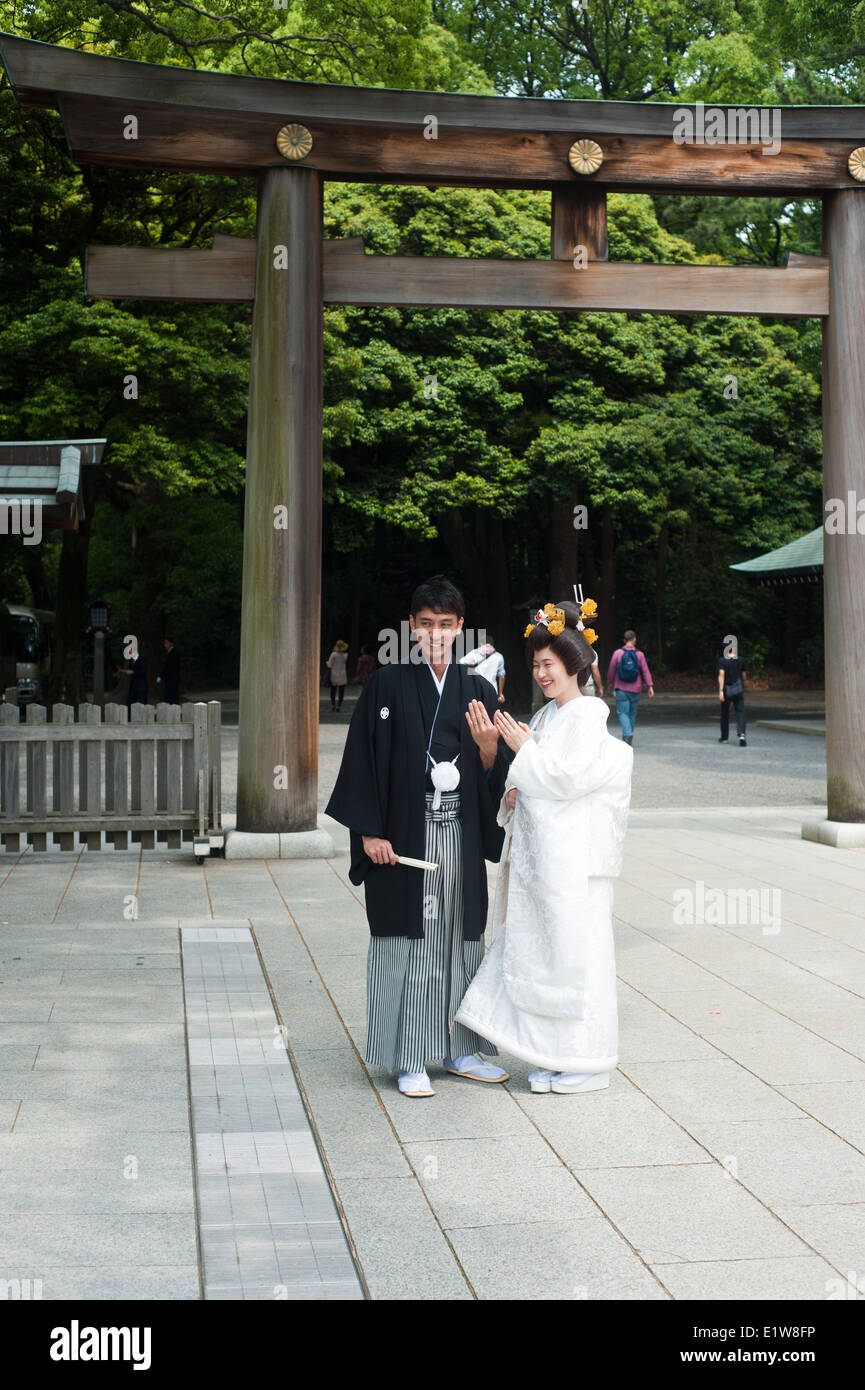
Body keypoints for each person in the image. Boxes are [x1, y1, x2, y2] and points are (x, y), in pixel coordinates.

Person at [325, 575, 513, 1098]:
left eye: (446, 625)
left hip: (459, 832)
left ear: (459, 629)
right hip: (404, 840)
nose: (435, 633)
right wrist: (368, 832)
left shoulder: (476, 689)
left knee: (460, 936)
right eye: (426, 624)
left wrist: (489, 750)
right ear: (411, 627)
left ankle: (462, 1049)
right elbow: (362, 759)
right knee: (407, 940)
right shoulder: (386, 684)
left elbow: (501, 776)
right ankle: (409, 1055)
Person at [455, 599, 633, 1094]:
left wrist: (524, 753)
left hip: (574, 865)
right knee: (549, 953)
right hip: (547, 863)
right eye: (535, 665)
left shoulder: (588, 716)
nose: (540, 674)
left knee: (580, 956)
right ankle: (556, 1052)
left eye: (548, 665)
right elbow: (537, 780)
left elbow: (568, 780)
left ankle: (589, 1059)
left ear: (574, 665)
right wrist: (514, 788)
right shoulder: (549, 716)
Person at [606, 629, 653, 744]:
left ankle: (627, 734)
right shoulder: (639, 654)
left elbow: (611, 670)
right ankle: (628, 734)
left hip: (621, 688)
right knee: (632, 713)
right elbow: (645, 670)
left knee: (623, 712)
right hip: (636, 689)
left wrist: (610, 684)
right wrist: (650, 686)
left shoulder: (618, 653)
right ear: (634, 640)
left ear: (624, 640)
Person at [717, 646, 749, 746]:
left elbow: (721, 675)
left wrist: (721, 690)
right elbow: (744, 676)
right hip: (738, 690)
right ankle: (742, 735)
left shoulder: (722, 661)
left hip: (727, 690)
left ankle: (724, 737)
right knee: (740, 712)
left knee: (725, 713)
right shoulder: (741, 660)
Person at [459, 637, 506, 703]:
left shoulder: (474, 653)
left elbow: (460, 663)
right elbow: (502, 676)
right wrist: (500, 693)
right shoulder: (499, 656)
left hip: (475, 689)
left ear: (481, 644)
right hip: (492, 690)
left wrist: (469, 665)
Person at [120, 649, 148, 716]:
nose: (129, 654)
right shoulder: (131, 661)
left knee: (142, 702)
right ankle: (129, 718)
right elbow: (131, 671)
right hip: (133, 685)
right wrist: (126, 672)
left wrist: (133, 672)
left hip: (142, 685)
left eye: (130, 652)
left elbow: (144, 671)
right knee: (130, 702)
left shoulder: (142, 659)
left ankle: (142, 717)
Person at [326, 639, 349, 711]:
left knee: (333, 691)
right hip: (342, 675)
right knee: (341, 692)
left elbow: (329, 665)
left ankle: (333, 704)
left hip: (334, 674)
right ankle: (339, 706)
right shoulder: (345, 655)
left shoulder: (333, 654)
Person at [157, 637, 180, 704]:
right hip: (170, 679)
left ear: (171, 644)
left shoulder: (174, 653)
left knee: (172, 696)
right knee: (170, 695)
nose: (165, 645)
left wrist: (160, 676)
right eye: (165, 643)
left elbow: (169, 667)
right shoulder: (169, 653)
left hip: (172, 679)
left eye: (166, 643)